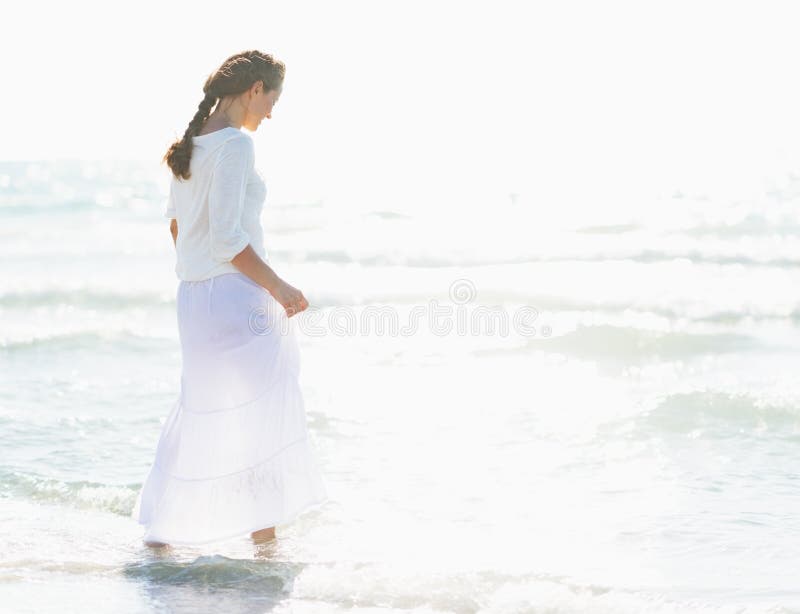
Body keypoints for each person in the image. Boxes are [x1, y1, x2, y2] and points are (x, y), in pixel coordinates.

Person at [130, 50, 329, 548]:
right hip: (236, 298)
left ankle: (164, 537)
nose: (271, 112)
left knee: (202, 409)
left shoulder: (189, 143)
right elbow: (227, 239)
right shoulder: (236, 146)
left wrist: (200, 277)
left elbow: (178, 228)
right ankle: (265, 547)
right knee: (259, 413)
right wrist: (278, 287)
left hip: (194, 301)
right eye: (272, 99)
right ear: (254, 89)